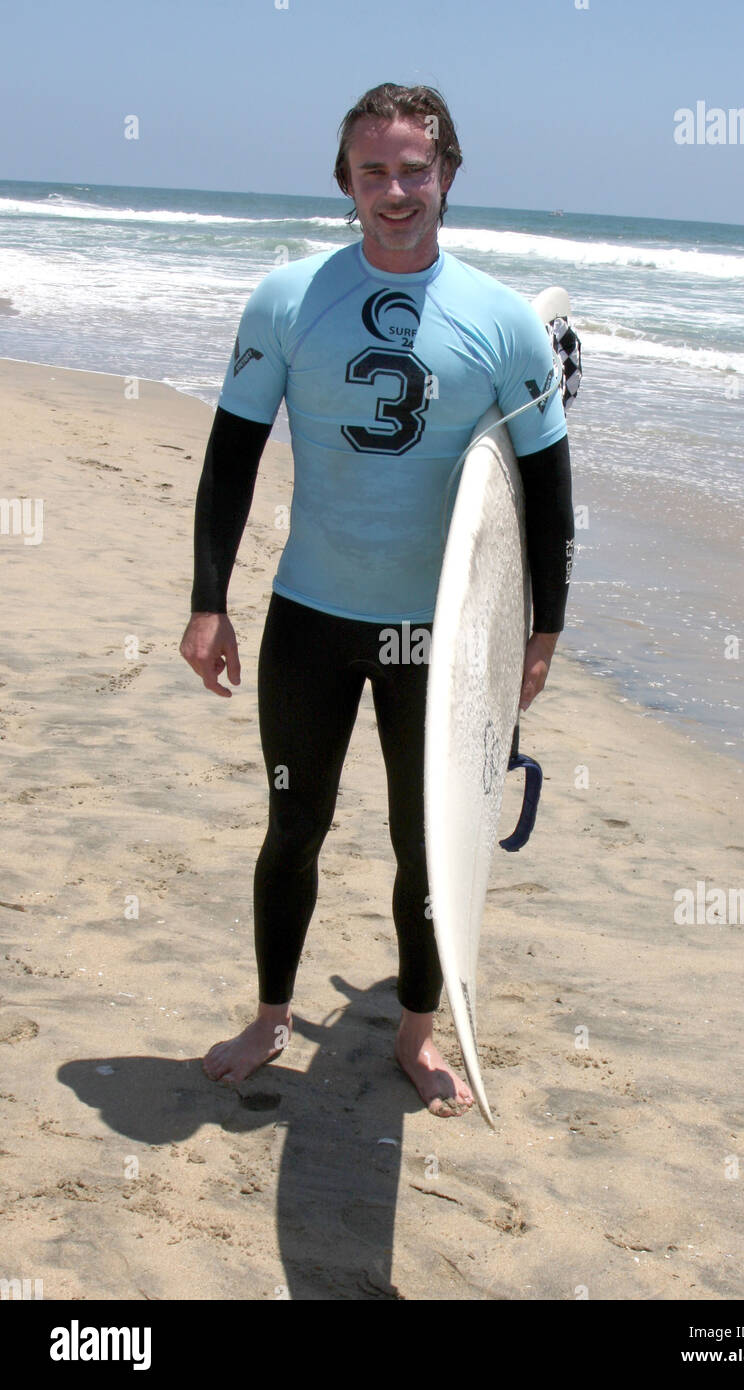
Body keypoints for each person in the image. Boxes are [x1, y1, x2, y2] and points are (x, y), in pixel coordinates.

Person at [179, 83, 574, 1118]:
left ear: (448, 174)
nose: (394, 191)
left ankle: (414, 1029)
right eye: (372, 171)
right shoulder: (286, 299)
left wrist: (540, 627)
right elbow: (230, 457)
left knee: (428, 837)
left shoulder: (500, 324)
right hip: (310, 616)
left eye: (413, 169)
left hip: (436, 641)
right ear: (342, 181)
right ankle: (270, 1017)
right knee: (291, 824)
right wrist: (208, 601)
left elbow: (543, 488)